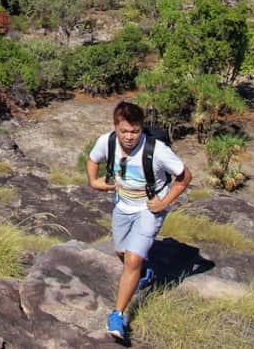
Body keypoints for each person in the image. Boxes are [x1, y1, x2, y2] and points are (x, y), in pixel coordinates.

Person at [86, 99, 192, 341]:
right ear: (115, 127)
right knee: (122, 253)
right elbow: (93, 159)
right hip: (122, 205)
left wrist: (164, 203)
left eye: (135, 131)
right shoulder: (107, 142)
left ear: (141, 128)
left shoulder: (157, 150)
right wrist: (93, 181)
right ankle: (145, 273)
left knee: (132, 259)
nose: (129, 137)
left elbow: (185, 176)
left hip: (149, 209)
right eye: (124, 131)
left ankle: (117, 316)